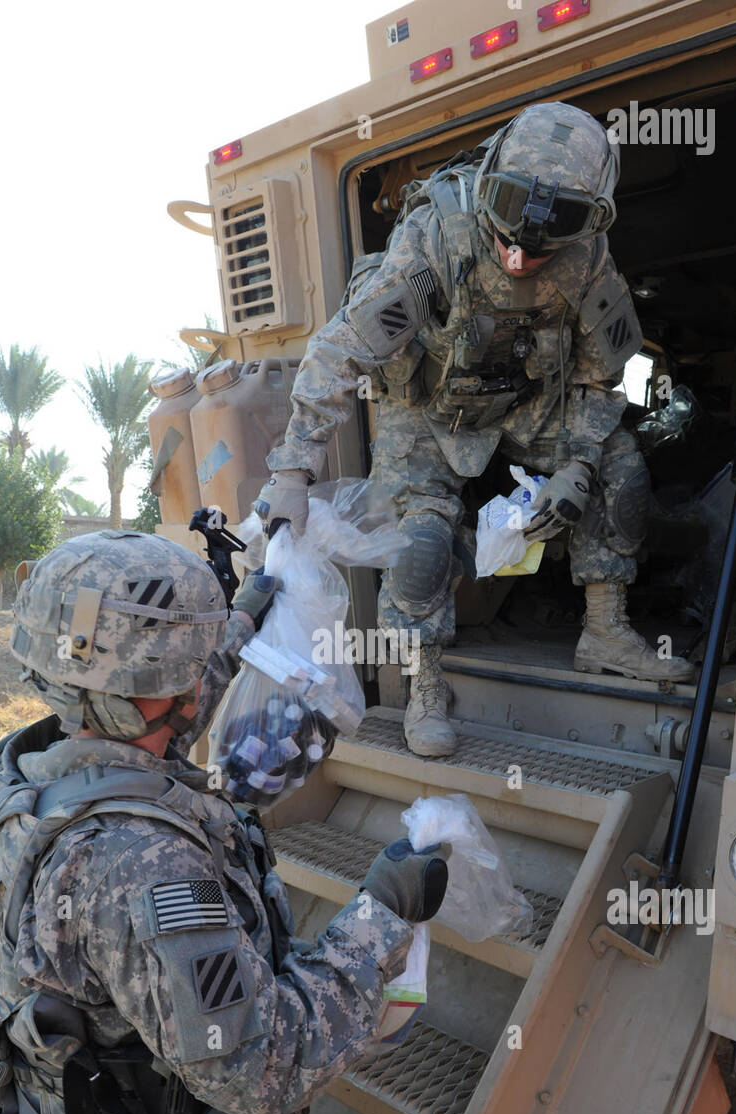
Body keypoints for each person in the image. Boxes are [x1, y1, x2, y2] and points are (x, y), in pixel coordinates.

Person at [0, 529, 448, 1114]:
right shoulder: (135, 862)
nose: (197, 691)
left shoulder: (20, 773)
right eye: (181, 672)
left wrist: (244, 612)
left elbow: (154, 696)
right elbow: (264, 1065)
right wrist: (381, 917)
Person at [255, 101, 695, 758]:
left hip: (525, 401)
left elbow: (602, 374)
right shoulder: (439, 233)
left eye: (543, 243)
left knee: (620, 465)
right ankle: (423, 681)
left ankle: (604, 631)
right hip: (426, 409)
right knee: (422, 543)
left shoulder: (586, 257)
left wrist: (574, 465)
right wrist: (293, 471)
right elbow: (338, 351)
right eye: (508, 232)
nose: (519, 259)